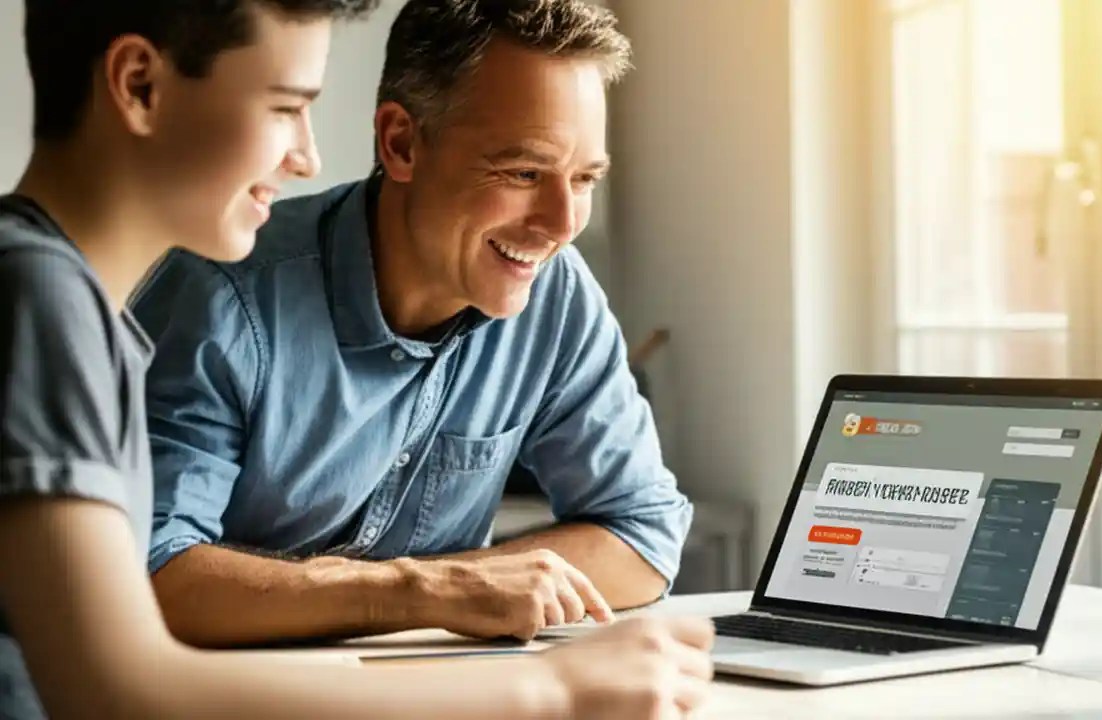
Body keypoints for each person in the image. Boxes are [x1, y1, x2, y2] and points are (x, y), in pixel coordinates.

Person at [0, 1, 713, 717]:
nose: (306, 157)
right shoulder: (42, 297)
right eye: (286, 107)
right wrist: (548, 686)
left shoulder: (78, 308)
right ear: (139, 84)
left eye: (585, 180)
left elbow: (643, 528)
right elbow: (119, 683)